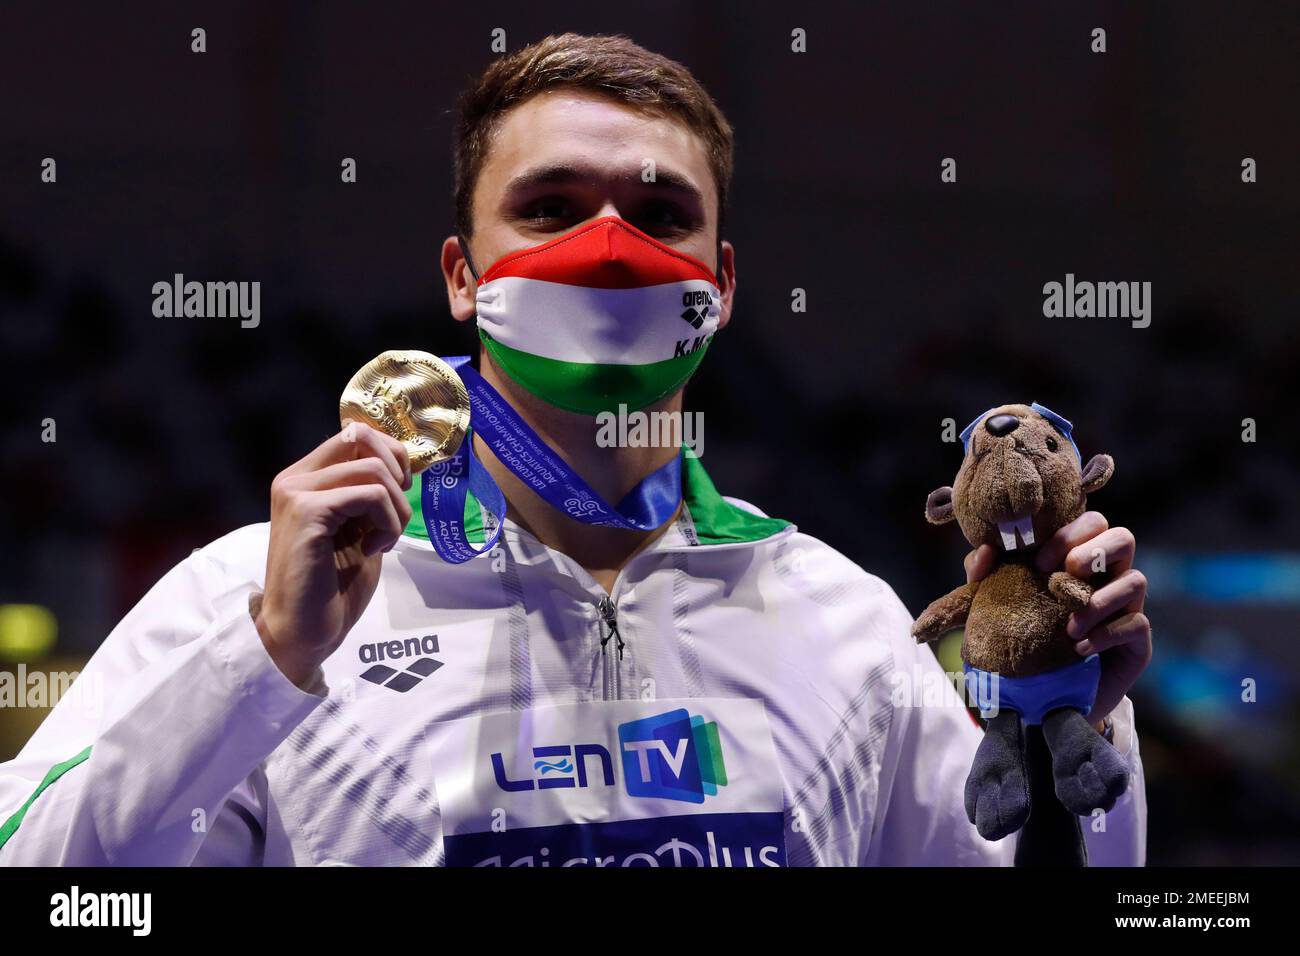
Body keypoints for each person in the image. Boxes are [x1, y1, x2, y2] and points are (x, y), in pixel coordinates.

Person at [0, 33, 1150, 866]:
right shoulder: (255, 599)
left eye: (660, 215)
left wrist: (1079, 720)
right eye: (549, 207)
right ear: (463, 275)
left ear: (722, 282)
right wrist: (264, 663)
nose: (607, 249)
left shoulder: (842, 619)